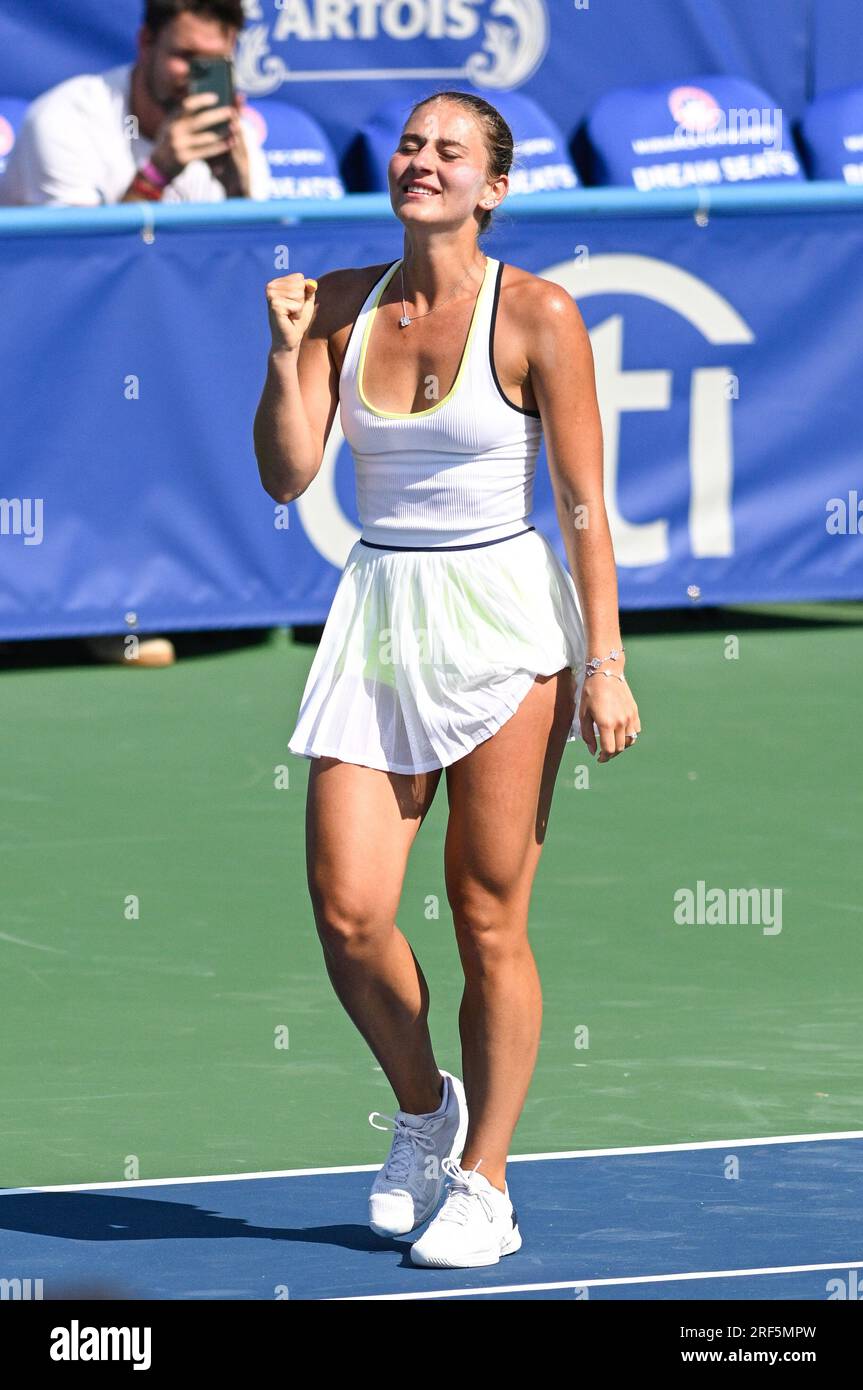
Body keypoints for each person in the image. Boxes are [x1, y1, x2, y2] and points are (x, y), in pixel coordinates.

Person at [253, 90, 642, 1270]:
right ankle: (428, 1108)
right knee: (350, 911)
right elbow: (285, 475)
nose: (421, 162)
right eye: (411, 146)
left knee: (486, 920)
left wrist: (604, 662)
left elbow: (583, 504)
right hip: (377, 613)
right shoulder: (332, 304)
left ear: (493, 186)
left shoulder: (539, 313)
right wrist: (282, 352)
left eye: (449, 151)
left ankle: (487, 1182)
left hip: (504, 621)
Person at [2, 0, 271, 667]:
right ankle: (109, 602)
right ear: (145, 42)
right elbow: (86, 283)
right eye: (184, 56)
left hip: (169, 338)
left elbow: (253, 269)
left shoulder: (234, 131)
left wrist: (240, 188)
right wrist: (158, 172)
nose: (194, 77)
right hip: (49, 346)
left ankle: (235, 584)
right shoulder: (63, 120)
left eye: (213, 63)